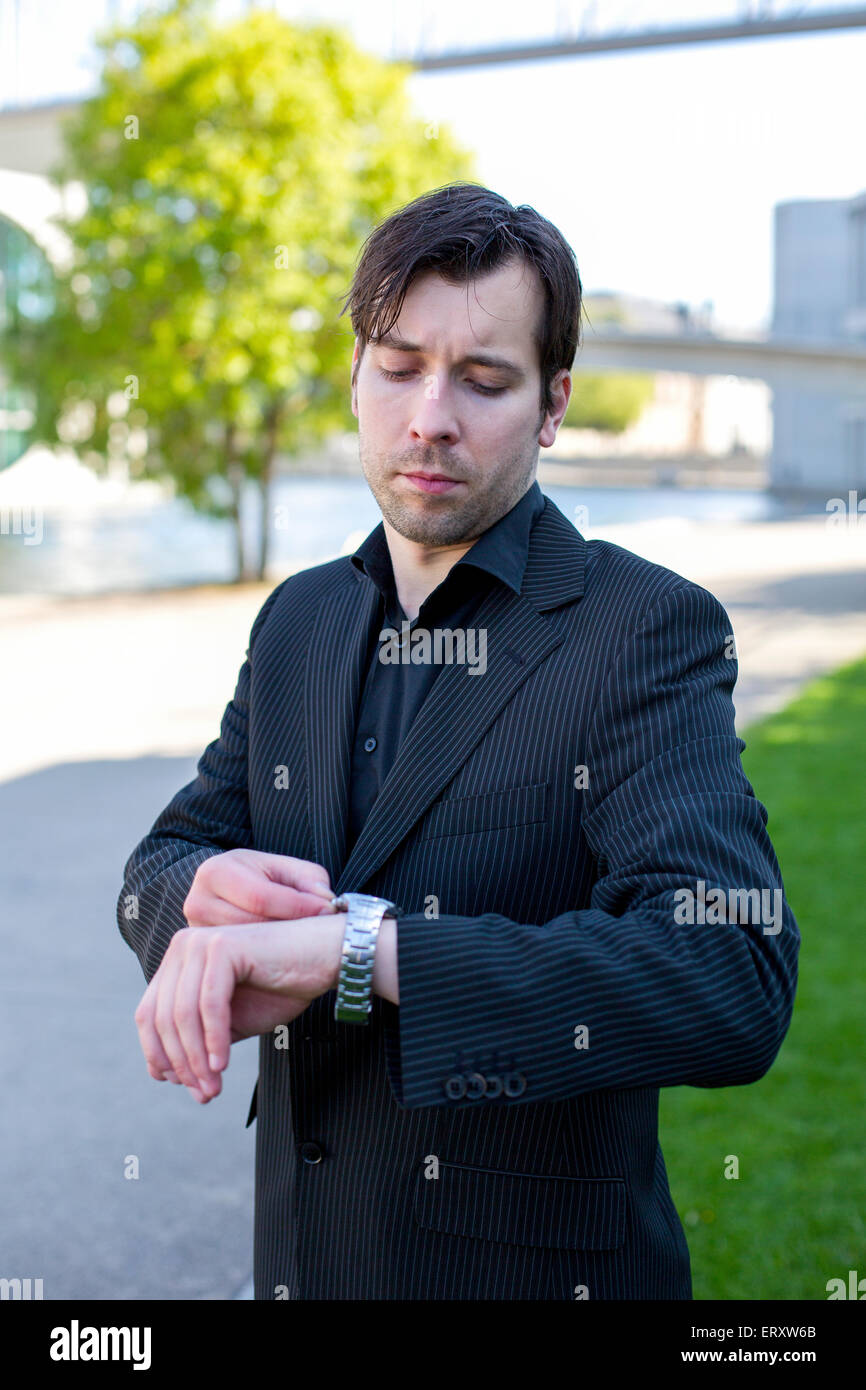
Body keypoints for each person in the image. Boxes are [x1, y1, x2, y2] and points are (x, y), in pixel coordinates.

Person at [117, 182, 799, 1300]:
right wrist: (207, 899)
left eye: (482, 380)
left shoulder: (640, 629)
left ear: (550, 403)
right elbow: (160, 863)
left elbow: (729, 972)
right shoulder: (296, 618)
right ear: (353, 376)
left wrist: (354, 955)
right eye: (396, 366)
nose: (429, 415)